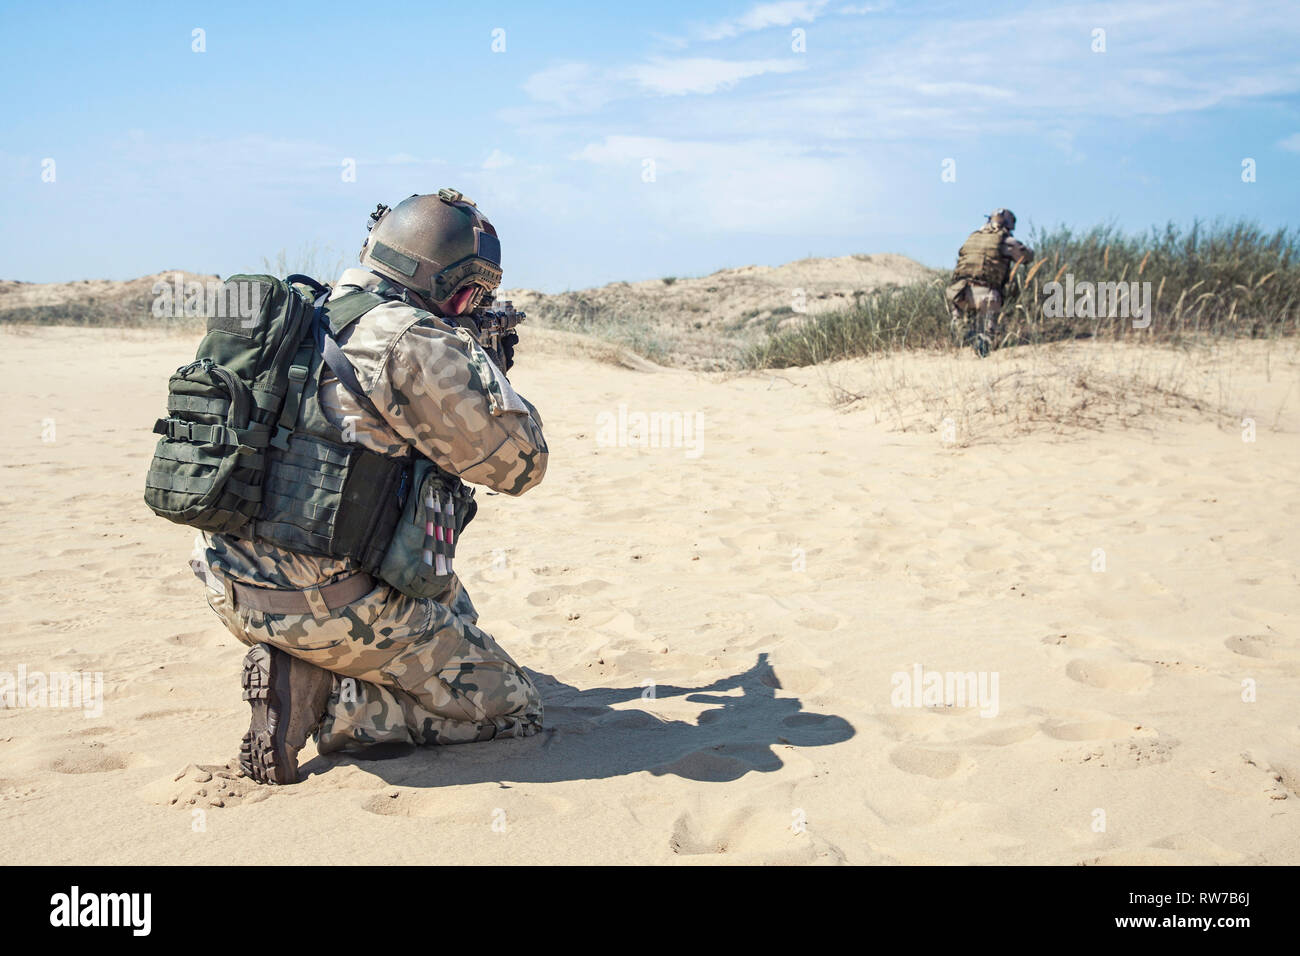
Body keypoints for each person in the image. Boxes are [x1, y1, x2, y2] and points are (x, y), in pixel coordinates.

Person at [194, 189, 548, 784]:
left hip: (229, 585)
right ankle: (332, 698)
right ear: (457, 289)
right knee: (515, 710)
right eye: (473, 294)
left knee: (453, 605)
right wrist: (483, 368)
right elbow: (519, 467)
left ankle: (328, 661)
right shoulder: (408, 339)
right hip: (326, 604)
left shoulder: (299, 311)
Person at [945, 208, 1034, 356]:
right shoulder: (1004, 240)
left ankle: (965, 333)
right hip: (986, 295)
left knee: (965, 326)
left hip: (958, 293)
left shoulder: (973, 237)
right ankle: (982, 344)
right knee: (987, 335)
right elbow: (1026, 257)